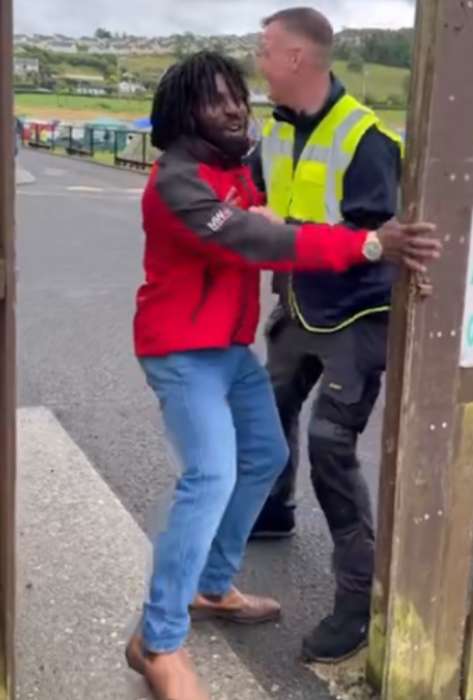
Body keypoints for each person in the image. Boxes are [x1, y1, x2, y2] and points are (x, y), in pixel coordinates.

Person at [126, 51, 438, 700]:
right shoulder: (179, 183)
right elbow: (265, 242)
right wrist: (374, 243)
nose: (237, 107)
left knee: (264, 456)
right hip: (182, 352)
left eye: (239, 95)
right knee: (210, 475)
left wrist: (389, 262)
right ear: (186, 115)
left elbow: (280, 223)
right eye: (217, 100)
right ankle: (157, 641)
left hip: (228, 349)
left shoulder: (235, 170)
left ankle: (211, 585)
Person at [245, 7, 437, 665]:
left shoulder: (367, 140)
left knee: (332, 443)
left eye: (265, 49)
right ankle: (274, 508)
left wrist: (282, 230)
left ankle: (358, 602)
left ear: (297, 58)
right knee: (268, 405)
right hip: (298, 303)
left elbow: (379, 244)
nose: (259, 60)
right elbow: (251, 193)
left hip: (354, 317)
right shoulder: (274, 129)